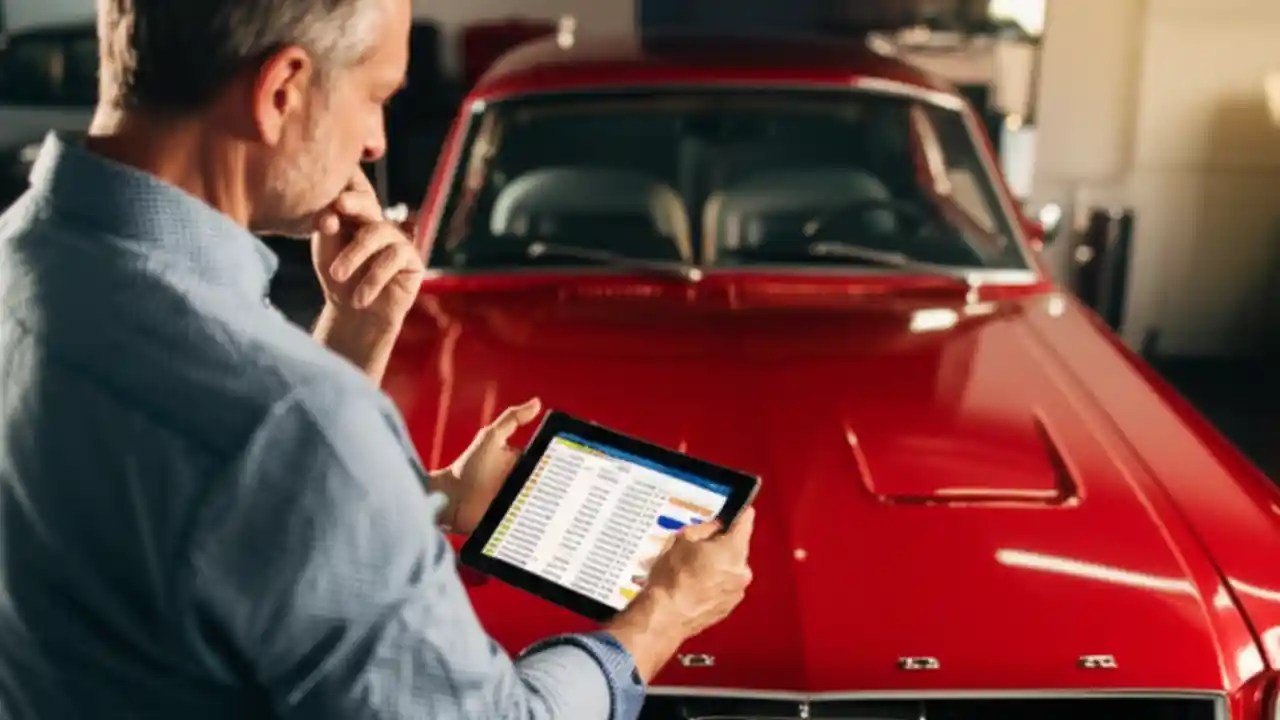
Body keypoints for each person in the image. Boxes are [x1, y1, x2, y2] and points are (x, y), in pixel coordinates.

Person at [0, 0, 755, 718]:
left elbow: (211, 529)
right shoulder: (292, 423)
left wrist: (366, 368)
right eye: (376, 95)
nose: (377, 143)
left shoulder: (22, 264)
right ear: (283, 90)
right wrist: (663, 613)